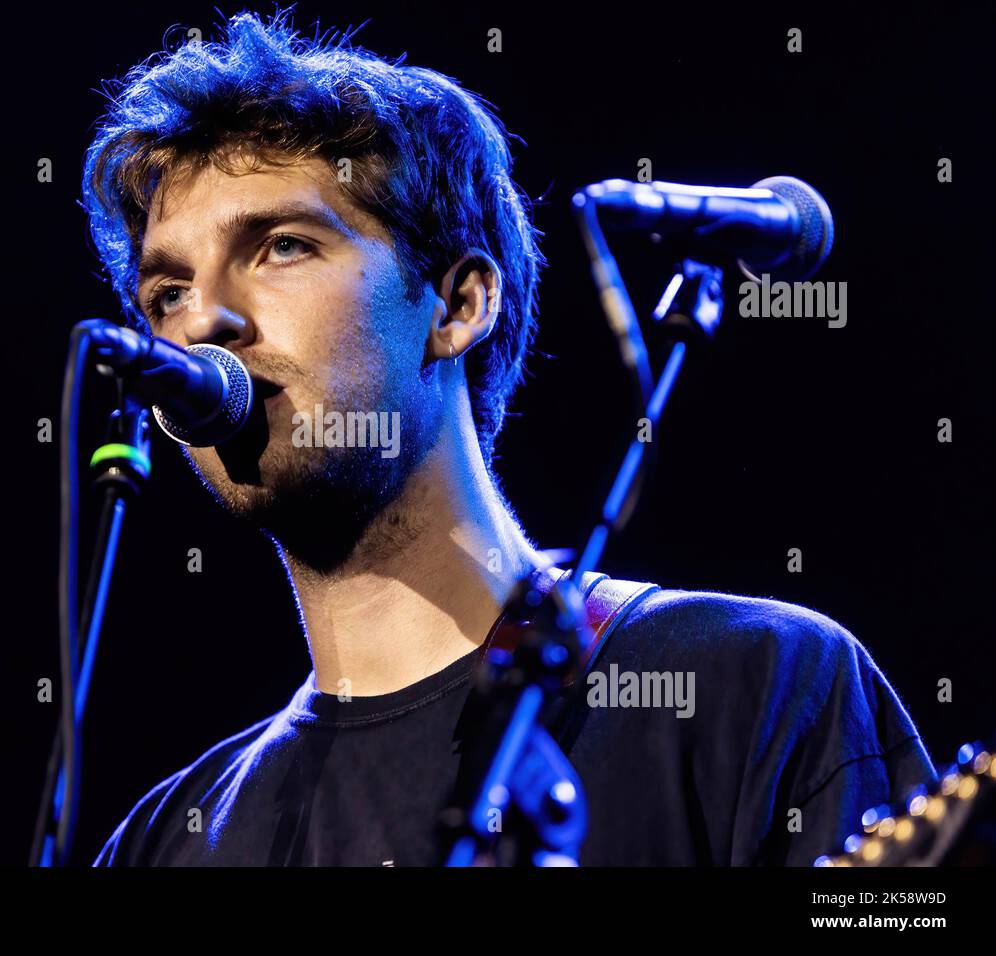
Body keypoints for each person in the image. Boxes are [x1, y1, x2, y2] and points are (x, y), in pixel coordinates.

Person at [82, 11, 934, 866]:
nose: (204, 321)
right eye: (166, 294)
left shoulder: (759, 684)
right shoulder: (164, 843)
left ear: (457, 307)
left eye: (282, 246)